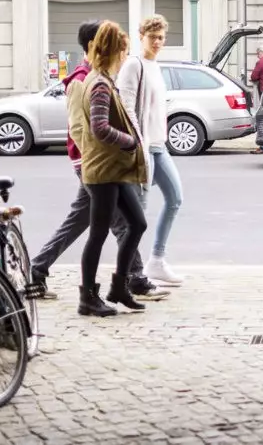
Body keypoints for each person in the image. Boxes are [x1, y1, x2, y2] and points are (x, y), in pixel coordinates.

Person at [28, 21, 168, 303]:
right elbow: (81, 128)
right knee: (123, 224)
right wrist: (91, 160)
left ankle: (38, 269)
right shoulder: (82, 80)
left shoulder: (96, 75)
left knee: (83, 221)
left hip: (97, 164)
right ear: (95, 45)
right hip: (94, 165)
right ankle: (131, 280)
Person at [68, 20, 150, 317]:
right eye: (123, 51)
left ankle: (118, 286)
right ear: (114, 51)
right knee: (99, 233)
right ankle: (88, 297)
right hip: (103, 172)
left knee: (137, 223)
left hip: (112, 170)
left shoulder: (101, 78)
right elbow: (100, 128)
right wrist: (129, 142)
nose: (125, 56)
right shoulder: (100, 84)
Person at [117, 15, 185, 286]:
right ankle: (131, 273)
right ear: (141, 36)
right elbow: (126, 109)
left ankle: (156, 260)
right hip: (143, 149)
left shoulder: (155, 65)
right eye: (152, 37)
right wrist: (138, 146)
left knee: (175, 198)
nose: (157, 42)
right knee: (138, 214)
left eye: (161, 38)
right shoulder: (133, 65)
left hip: (159, 145)